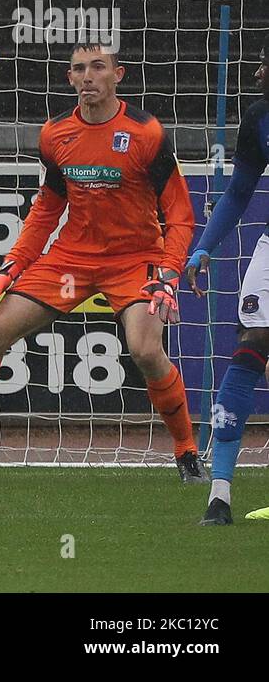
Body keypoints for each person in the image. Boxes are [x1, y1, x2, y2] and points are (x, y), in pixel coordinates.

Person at [0, 43, 208, 481]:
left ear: (119, 75)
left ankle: (187, 453)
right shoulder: (55, 134)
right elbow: (47, 207)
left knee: (147, 351)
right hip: (72, 258)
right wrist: (13, 264)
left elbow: (181, 215)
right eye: (79, 69)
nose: (88, 76)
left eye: (98, 67)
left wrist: (167, 273)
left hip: (135, 260)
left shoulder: (146, 133)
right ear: (69, 78)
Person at [186, 47, 269, 524]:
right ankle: (219, 497)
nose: (257, 72)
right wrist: (204, 248)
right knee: (250, 344)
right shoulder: (259, 116)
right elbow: (239, 191)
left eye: (265, 62)